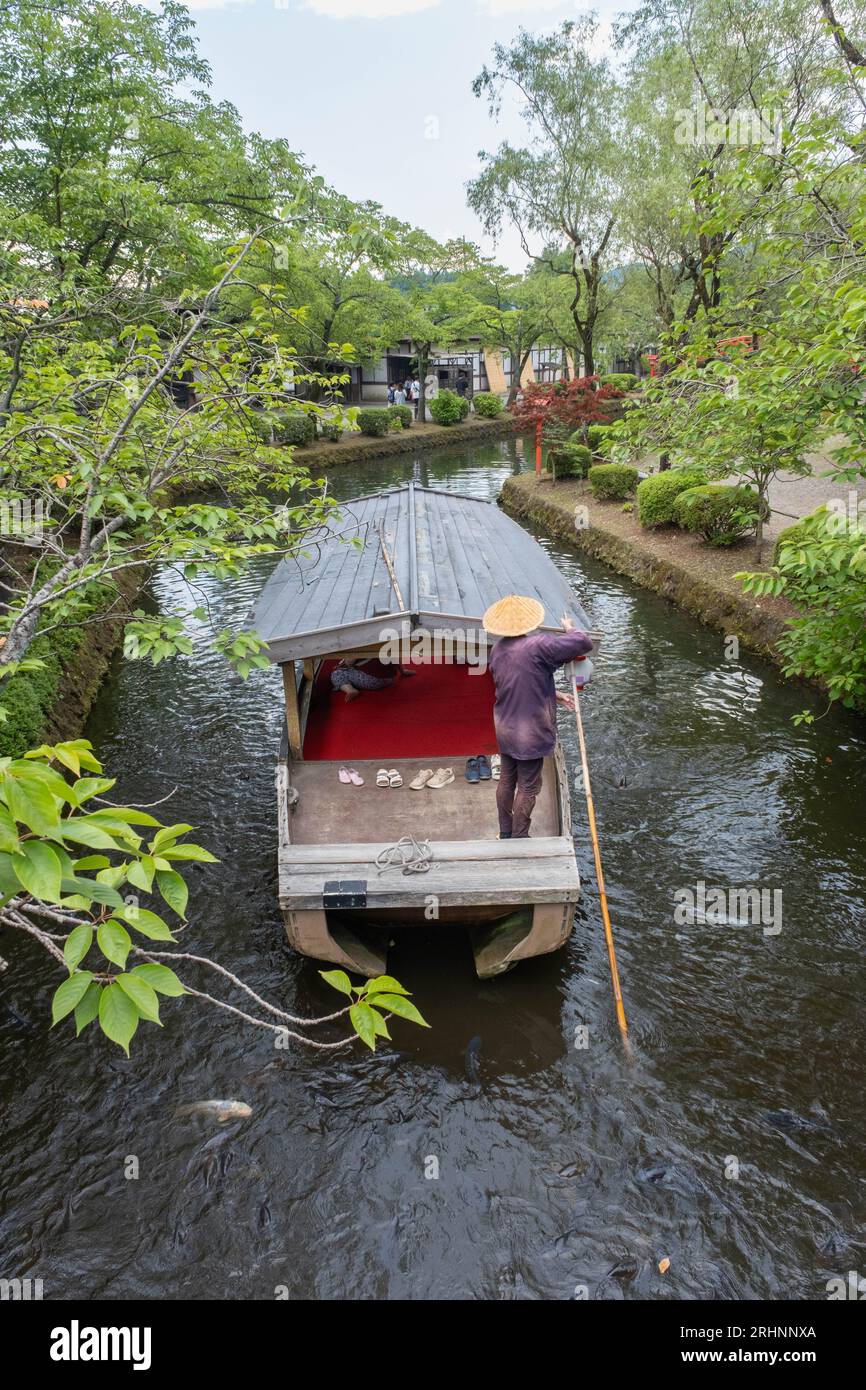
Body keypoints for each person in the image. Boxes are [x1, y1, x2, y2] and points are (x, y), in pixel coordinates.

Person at [484, 594, 593, 839]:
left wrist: (556, 694)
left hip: (505, 726)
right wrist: (569, 629)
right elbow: (583, 642)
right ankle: (520, 836)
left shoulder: (498, 650)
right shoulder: (540, 645)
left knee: (506, 780)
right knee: (528, 786)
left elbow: (521, 682)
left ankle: (505, 830)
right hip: (529, 732)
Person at [330, 656, 415, 703]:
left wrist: (341, 665)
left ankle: (350, 690)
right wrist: (402, 671)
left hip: (371, 681)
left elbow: (349, 662)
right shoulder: (387, 638)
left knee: (337, 674)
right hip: (390, 678)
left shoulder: (358, 643)